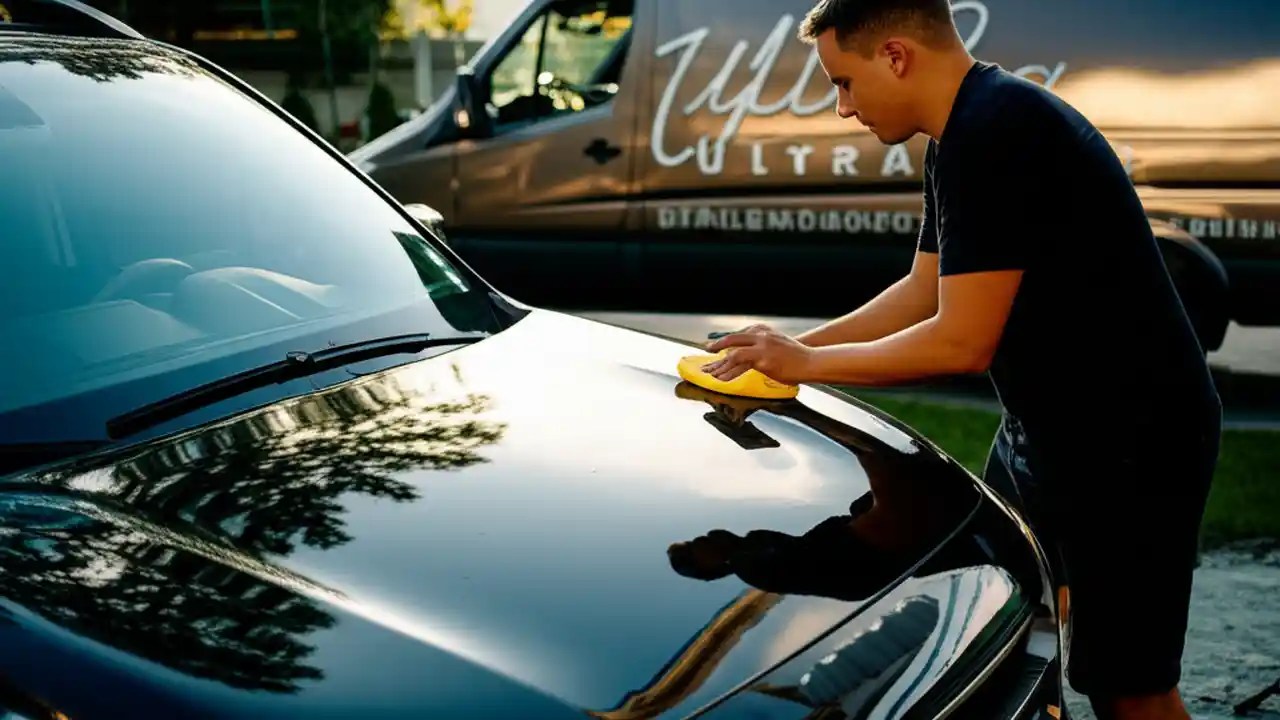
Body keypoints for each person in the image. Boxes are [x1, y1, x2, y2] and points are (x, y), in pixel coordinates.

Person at [699, 1, 1223, 718]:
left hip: (1132, 443)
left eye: (843, 83)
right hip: (1049, 430)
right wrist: (790, 349)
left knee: (1128, 685)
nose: (843, 108)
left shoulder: (996, 133)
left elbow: (959, 342)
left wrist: (807, 366)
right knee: (1008, 618)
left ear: (894, 55)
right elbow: (922, 291)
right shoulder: (964, 131)